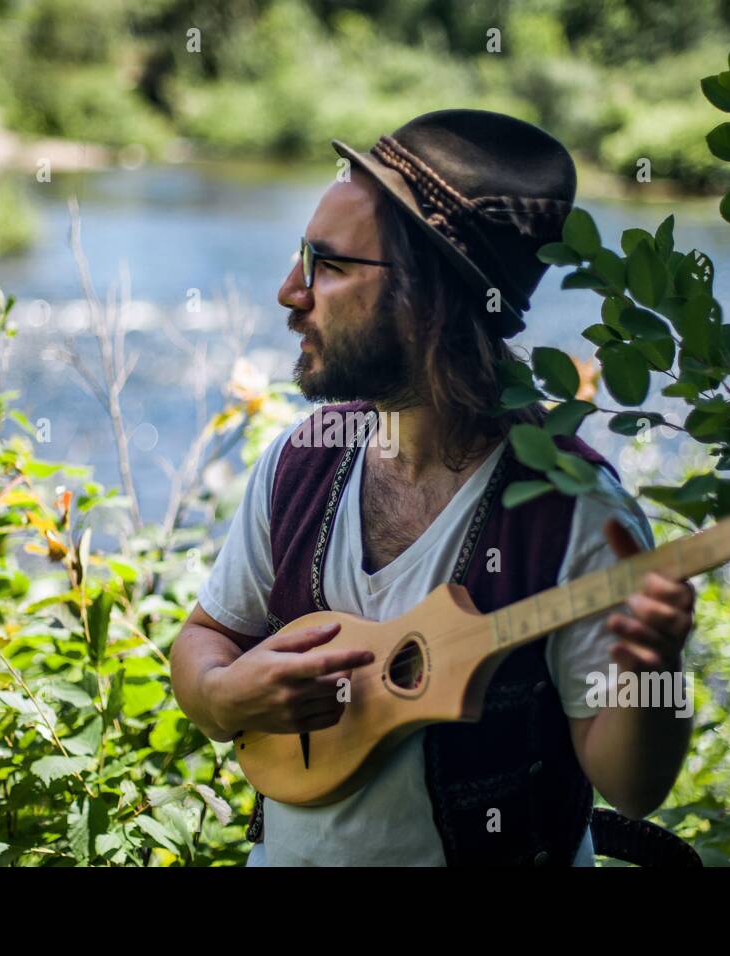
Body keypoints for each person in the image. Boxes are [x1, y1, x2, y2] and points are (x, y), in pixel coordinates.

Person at [170, 109, 695, 866]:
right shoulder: (300, 460)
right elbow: (207, 636)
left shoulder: (572, 514)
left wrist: (656, 671)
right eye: (299, 257)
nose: (291, 292)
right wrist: (219, 696)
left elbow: (634, 789)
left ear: (425, 297)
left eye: (328, 264)